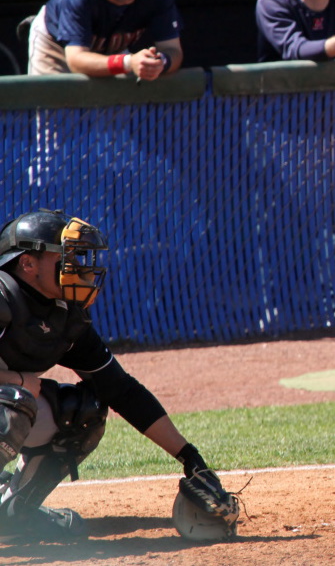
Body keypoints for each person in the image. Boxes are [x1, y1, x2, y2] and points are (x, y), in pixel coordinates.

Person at [0, 210, 232, 541]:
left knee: (81, 413)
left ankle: (12, 517)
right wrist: (17, 382)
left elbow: (120, 390)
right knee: (15, 403)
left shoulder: (64, 316)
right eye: (65, 256)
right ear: (27, 264)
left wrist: (190, 457)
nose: (78, 266)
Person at [27, 0, 182, 80]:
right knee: (56, 114)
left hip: (111, 49)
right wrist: (128, 62)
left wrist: (161, 62)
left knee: (116, 117)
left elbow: (173, 49)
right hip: (56, 46)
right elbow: (76, 60)